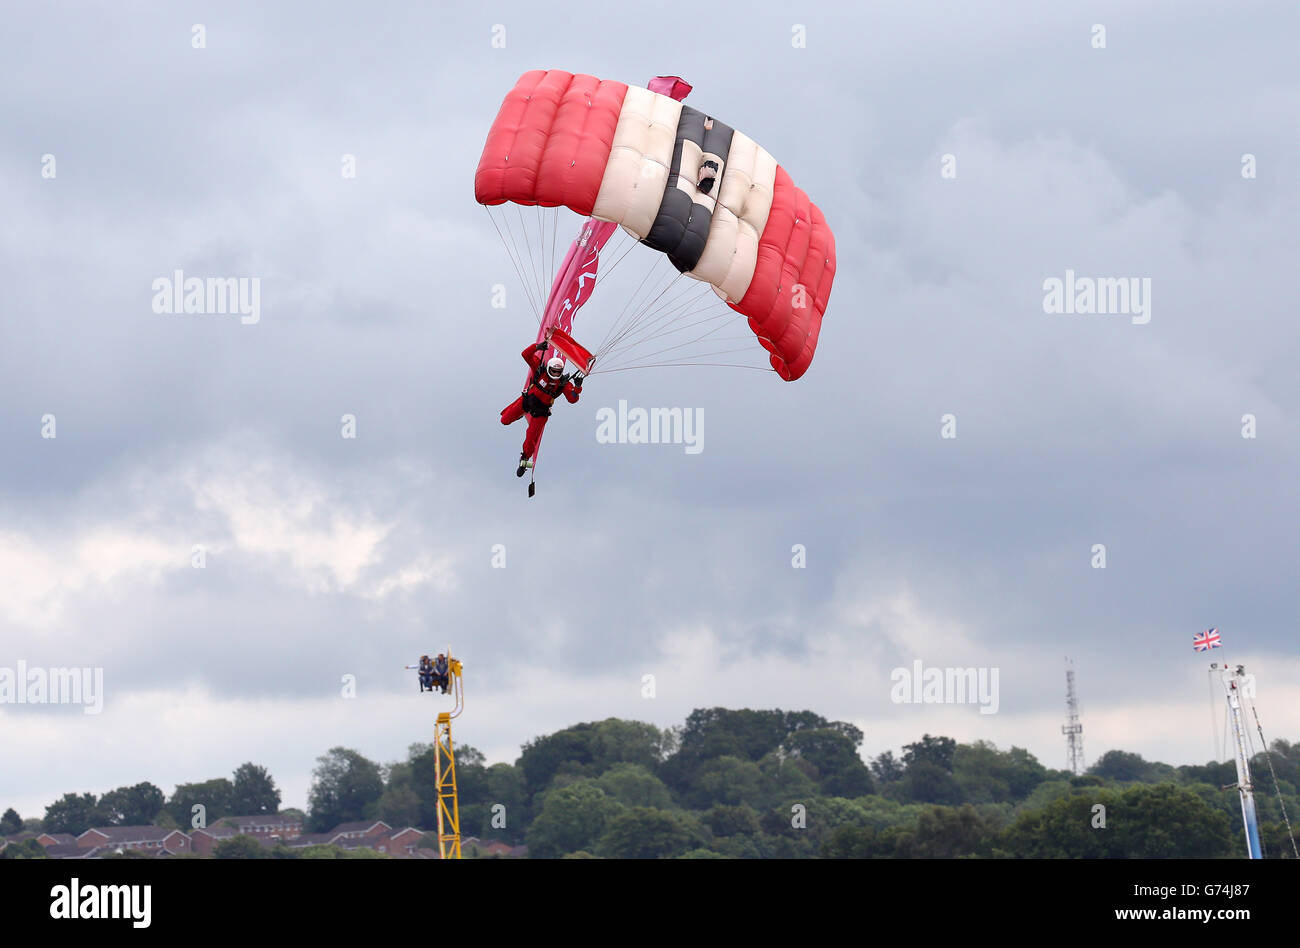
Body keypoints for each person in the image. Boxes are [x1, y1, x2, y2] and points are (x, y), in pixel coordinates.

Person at [500, 340, 582, 475]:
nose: (555, 374)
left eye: (558, 372)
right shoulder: (540, 369)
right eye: (553, 371)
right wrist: (537, 347)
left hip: (541, 413)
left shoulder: (563, 383)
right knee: (504, 420)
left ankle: (524, 460)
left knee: (530, 440)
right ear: (549, 368)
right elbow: (525, 355)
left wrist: (577, 387)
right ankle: (522, 414)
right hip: (527, 402)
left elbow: (573, 399)